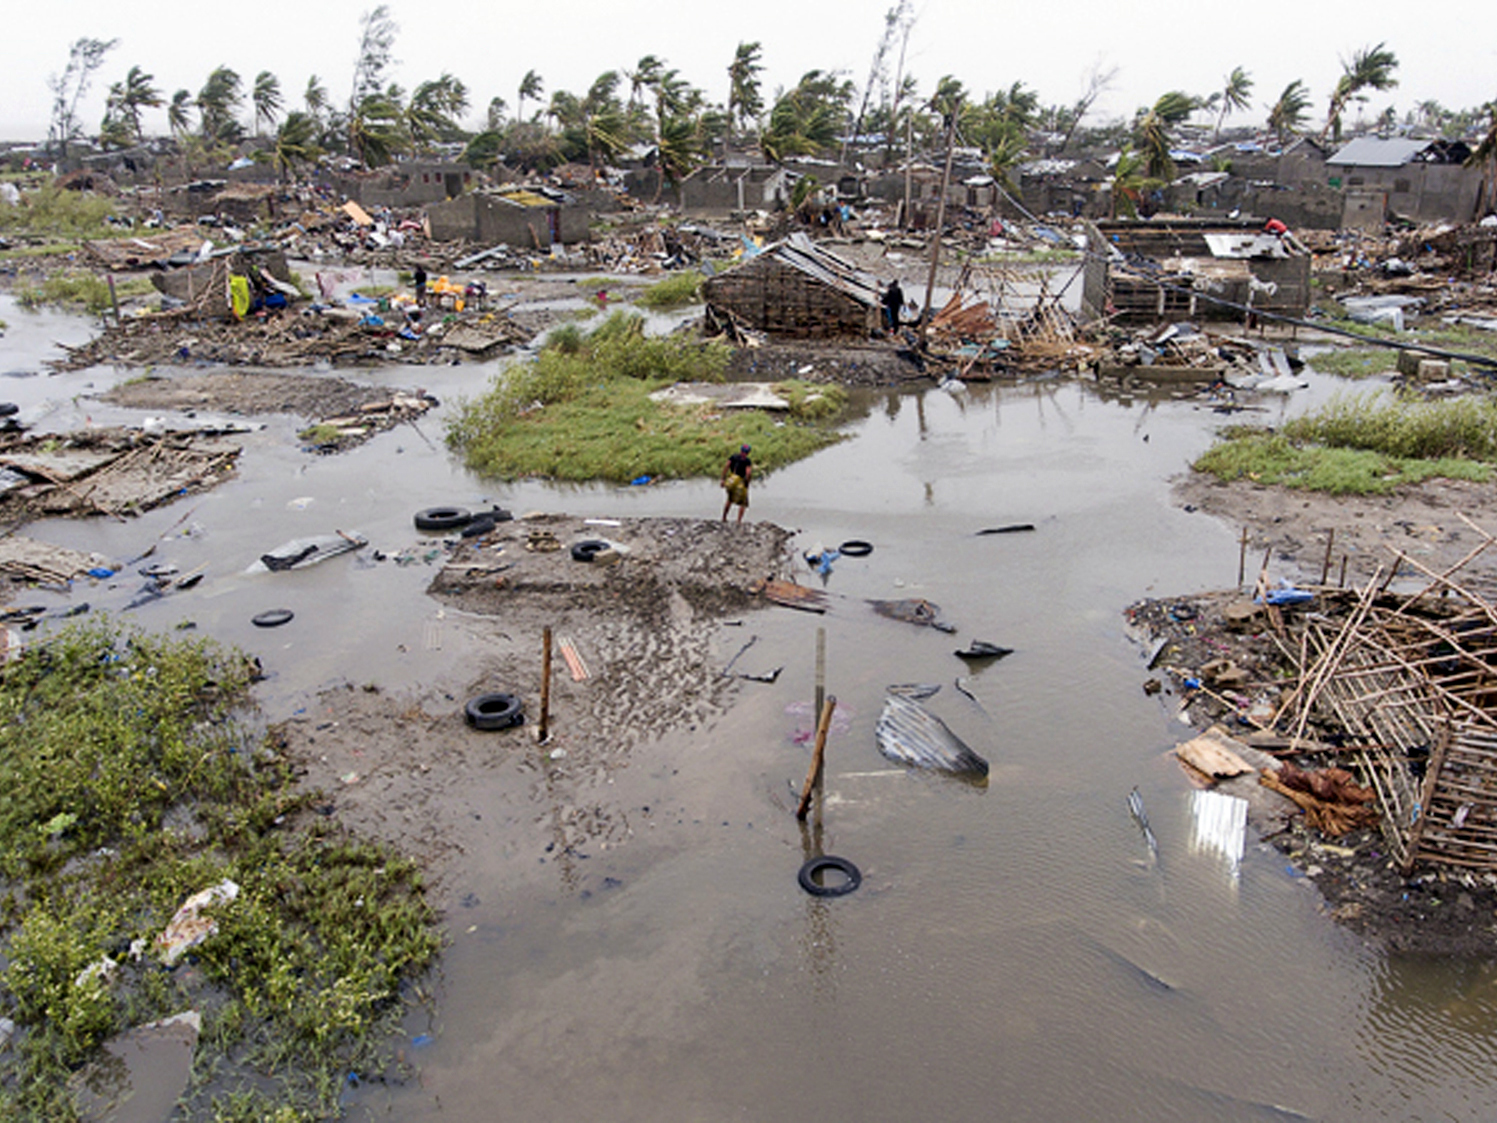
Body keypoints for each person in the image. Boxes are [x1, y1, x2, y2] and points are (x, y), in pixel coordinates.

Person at [721, 444, 753, 524]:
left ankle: (724, 518)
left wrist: (723, 479)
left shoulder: (734, 457)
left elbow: (726, 466)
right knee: (743, 502)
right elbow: (748, 473)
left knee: (729, 499)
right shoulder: (747, 461)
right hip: (739, 480)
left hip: (731, 479)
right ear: (748, 453)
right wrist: (747, 483)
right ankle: (739, 521)